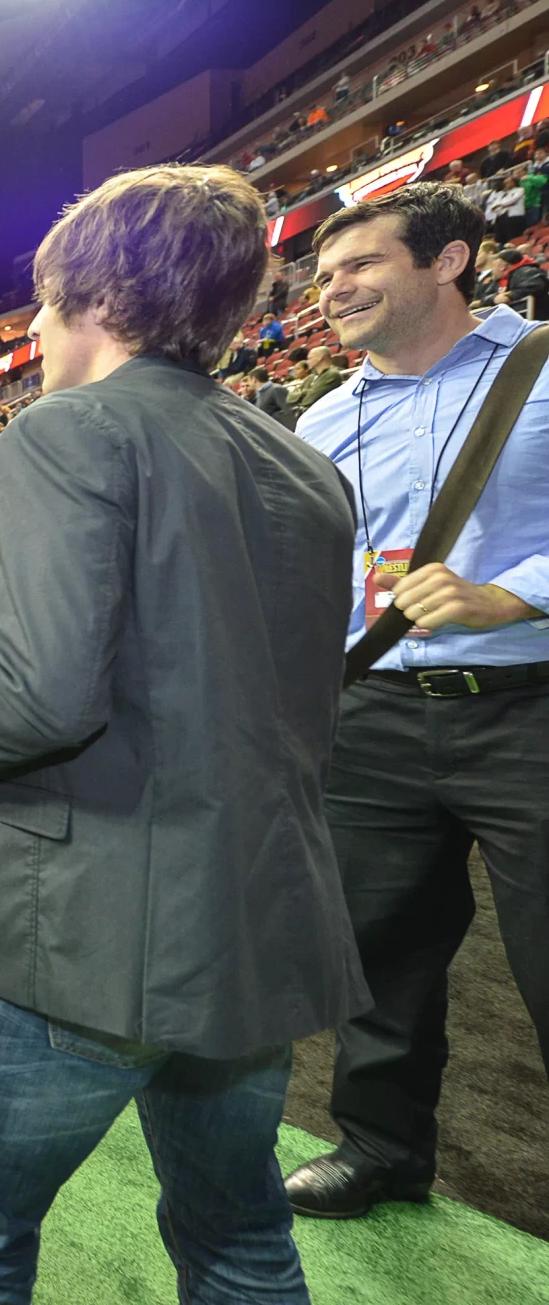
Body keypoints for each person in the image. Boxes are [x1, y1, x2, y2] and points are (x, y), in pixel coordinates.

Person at [0, 164, 365, 1301]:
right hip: (252, 916)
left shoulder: (68, 430)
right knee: (240, 1238)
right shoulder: (305, 464)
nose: (35, 332)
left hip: (81, 926)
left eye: (45, 305)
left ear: (99, 300)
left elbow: (43, 698)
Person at [285, 182, 549, 1219]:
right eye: (324, 276)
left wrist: (511, 594)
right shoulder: (321, 416)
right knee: (377, 947)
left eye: (361, 265)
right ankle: (381, 1147)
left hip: (529, 702)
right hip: (377, 714)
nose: (333, 289)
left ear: (449, 261)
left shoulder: (540, 367)